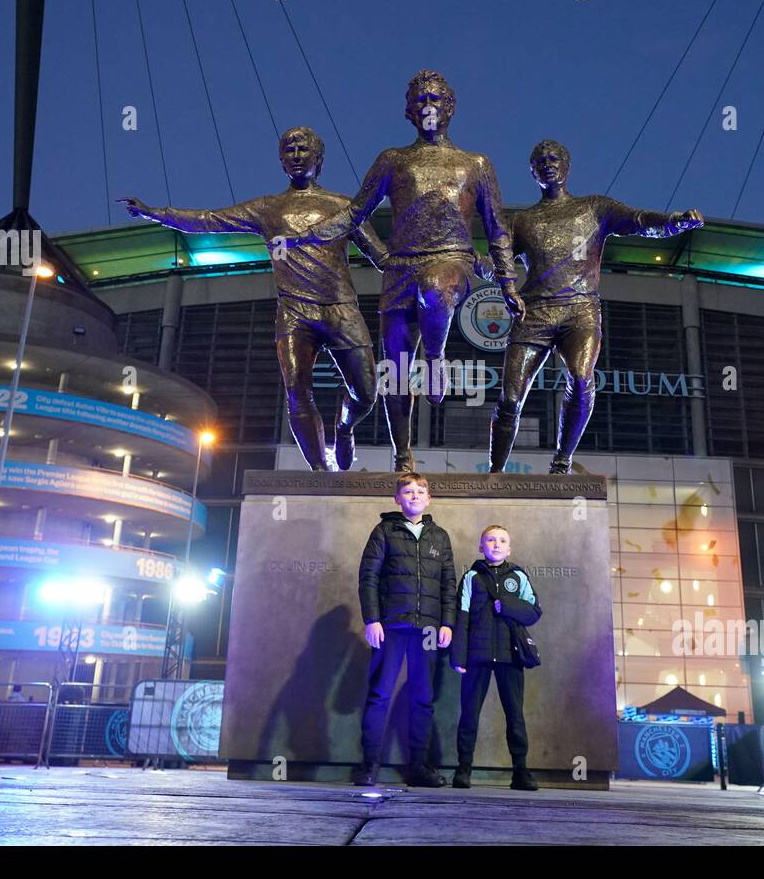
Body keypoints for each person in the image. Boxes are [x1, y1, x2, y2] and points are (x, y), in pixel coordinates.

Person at [287, 70, 522, 471]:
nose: (427, 106)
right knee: (395, 369)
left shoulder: (475, 164)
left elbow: (497, 229)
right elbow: (354, 214)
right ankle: (403, 454)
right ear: (409, 113)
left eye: (435, 99)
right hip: (399, 268)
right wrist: (310, 235)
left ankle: (435, 357)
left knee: (435, 287)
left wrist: (508, 284)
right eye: (419, 101)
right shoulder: (392, 160)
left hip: (452, 261)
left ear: (450, 107)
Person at [120, 126, 386, 470]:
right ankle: (321, 471)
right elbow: (209, 221)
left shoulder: (344, 207)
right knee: (297, 392)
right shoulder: (267, 208)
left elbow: (382, 257)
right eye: (289, 151)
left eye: (303, 150)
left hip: (341, 311)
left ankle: (345, 426)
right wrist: (155, 213)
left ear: (319, 159)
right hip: (294, 312)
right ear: (281, 161)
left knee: (365, 394)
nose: (296, 155)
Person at [491, 140, 703, 473]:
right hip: (535, 314)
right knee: (511, 397)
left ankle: (562, 459)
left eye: (554, 158)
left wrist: (672, 222)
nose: (548, 164)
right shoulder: (522, 221)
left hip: (580, 312)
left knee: (580, 375)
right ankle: (496, 472)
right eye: (540, 161)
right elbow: (497, 261)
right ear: (532, 172)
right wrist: (470, 265)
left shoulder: (594, 208)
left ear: (567, 166)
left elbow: (637, 220)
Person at [356, 472, 457, 786]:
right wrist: (372, 619)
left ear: (429, 499)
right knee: (379, 696)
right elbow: (368, 577)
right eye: (408, 491)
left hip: (427, 629)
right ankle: (369, 766)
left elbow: (448, 584)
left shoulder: (440, 536)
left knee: (423, 698)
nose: (414, 496)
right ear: (397, 499)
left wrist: (447, 623)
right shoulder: (384, 531)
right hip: (391, 627)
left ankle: (418, 768)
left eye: (420, 491)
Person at [450, 525, 542, 790]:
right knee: (469, 715)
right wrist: (459, 657)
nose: (496, 544)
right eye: (490, 540)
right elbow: (462, 618)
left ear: (509, 548)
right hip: (476, 656)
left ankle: (521, 772)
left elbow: (534, 611)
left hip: (509, 656)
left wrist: (508, 606)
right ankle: (463, 769)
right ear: (481, 547)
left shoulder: (519, 576)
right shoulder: (470, 578)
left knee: (515, 715)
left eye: (502, 540)